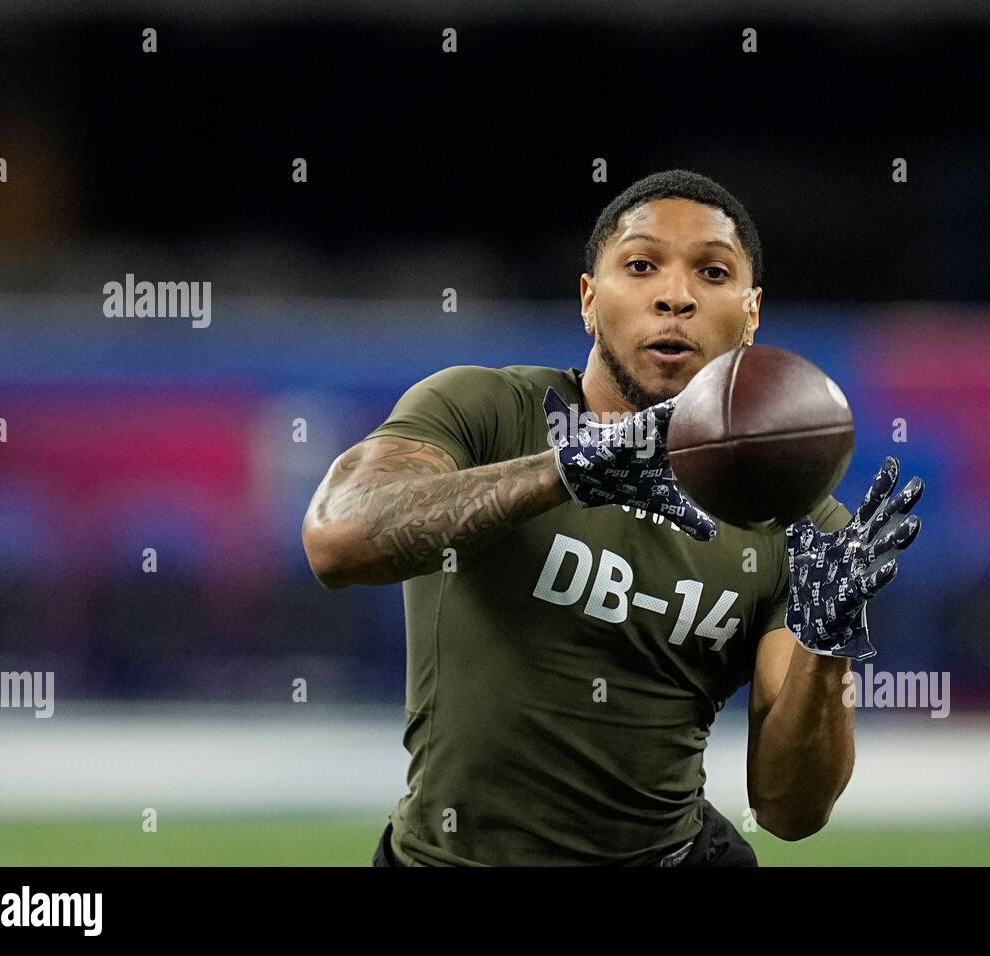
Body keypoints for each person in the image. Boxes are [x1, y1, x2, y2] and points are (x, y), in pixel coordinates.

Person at [301, 169, 923, 866]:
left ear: (751, 314)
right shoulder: (488, 411)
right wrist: (567, 469)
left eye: (712, 273)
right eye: (641, 264)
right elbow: (338, 539)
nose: (675, 296)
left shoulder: (795, 522)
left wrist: (825, 639)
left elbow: (789, 810)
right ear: (589, 301)